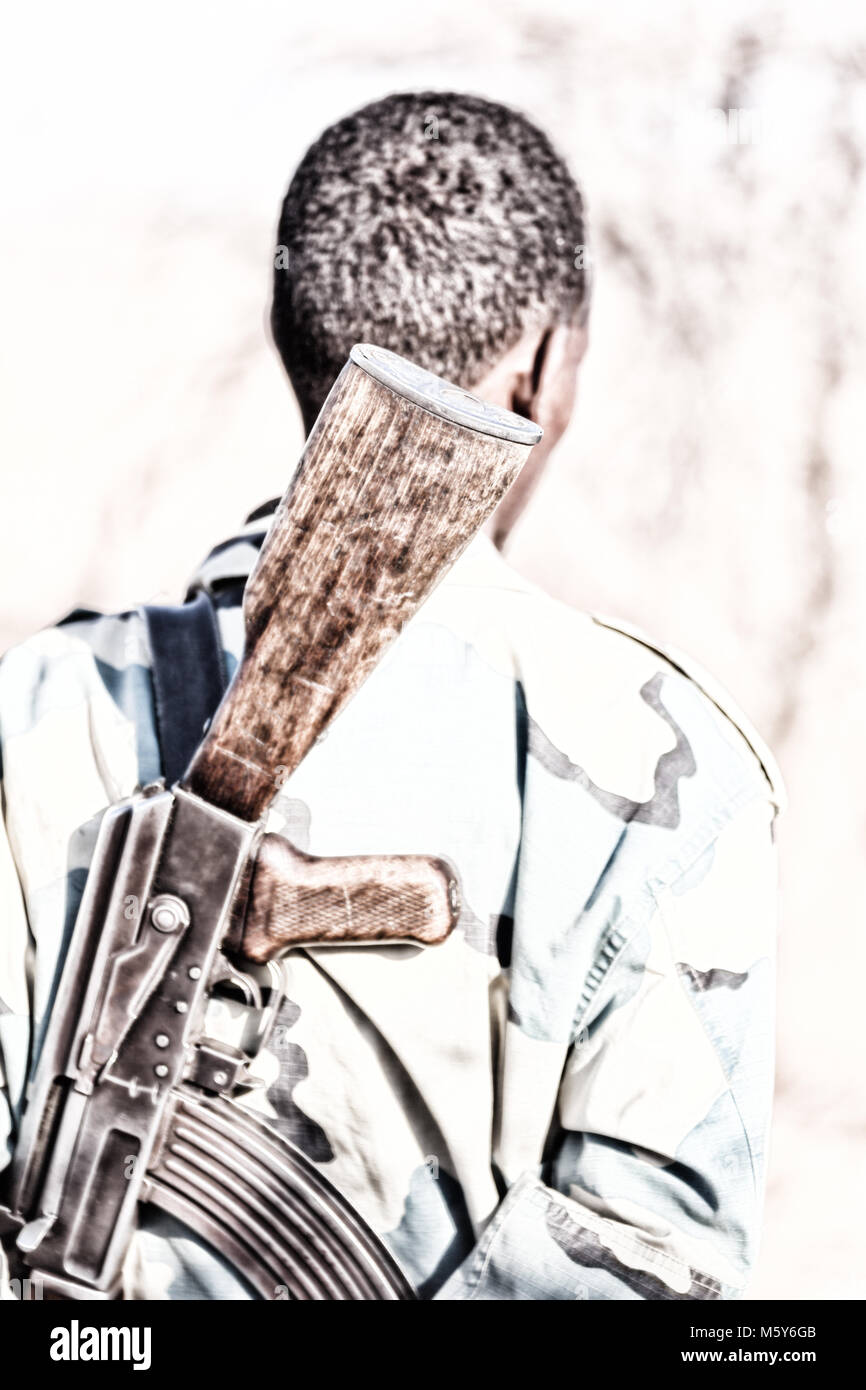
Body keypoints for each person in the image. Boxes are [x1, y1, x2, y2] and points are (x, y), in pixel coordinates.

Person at [0, 91, 783, 1300]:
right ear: (540, 370)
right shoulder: (658, 759)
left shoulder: (37, 714)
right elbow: (668, 1286)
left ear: (290, 336)